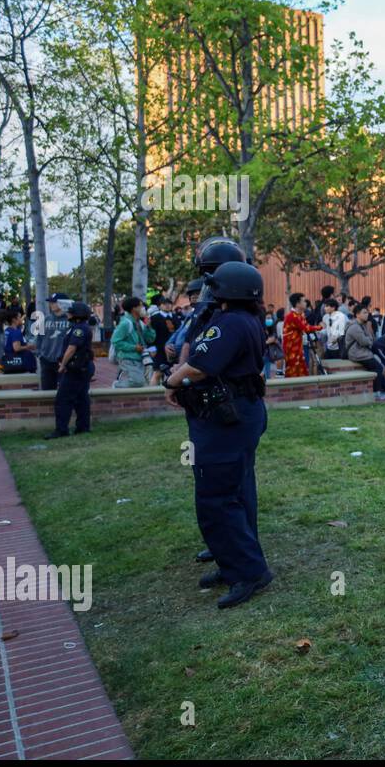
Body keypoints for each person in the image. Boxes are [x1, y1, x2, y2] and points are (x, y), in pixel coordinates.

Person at [163, 261, 272, 609]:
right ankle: (233, 566)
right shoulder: (250, 319)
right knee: (232, 494)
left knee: (217, 499)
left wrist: (171, 381)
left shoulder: (228, 323)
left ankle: (249, 572)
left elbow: (198, 366)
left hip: (227, 419)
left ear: (226, 290)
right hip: (240, 414)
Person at [46, 301, 95, 439]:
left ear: (77, 314)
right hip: (83, 367)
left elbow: (72, 348)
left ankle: (61, 430)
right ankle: (83, 427)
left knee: (63, 399)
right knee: (81, 398)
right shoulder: (80, 327)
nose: (68, 313)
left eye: (71, 311)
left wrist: (62, 365)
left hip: (76, 369)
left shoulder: (79, 329)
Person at [345, 304, 385, 398]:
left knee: (378, 367)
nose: (367, 315)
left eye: (367, 313)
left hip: (362, 352)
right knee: (378, 368)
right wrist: (369, 340)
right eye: (364, 313)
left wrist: (369, 339)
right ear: (357, 314)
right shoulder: (355, 327)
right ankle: (377, 392)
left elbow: (370, 339)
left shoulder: (362, 325)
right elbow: (365, 341)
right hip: (357, 354)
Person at [110, 296, 155, 387]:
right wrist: (134, 347)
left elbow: (150, 339)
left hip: (140, 357)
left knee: (142, 383)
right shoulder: (126, 323)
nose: (143, 308)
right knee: (138, 382)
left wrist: (149, 326)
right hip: (127, 357)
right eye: (141, 306)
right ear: (134, 308)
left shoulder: (140, 323)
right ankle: (117, 385)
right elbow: (116, 341)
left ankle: (122, 383)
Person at [37, 293, 72, 389]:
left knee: (65, 391)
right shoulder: (46, 319)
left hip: (64, 361)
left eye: (54, 302)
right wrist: (40, 354)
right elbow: (39, 338)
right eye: (50, 302)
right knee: (46, 392)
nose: (51, 304)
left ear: (63, 303)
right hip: (46, 361)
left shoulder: (71, 320)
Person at [282, 293, 321, 378]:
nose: (306, 303)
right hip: (291, 348)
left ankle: (301, 389)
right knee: (293, 371)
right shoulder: (292, 316)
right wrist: (320, 327)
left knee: (301, 369)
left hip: (298, 347)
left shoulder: (299, 315)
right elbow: (306, 328)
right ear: (297, 303)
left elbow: (306, 326)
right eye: (303, 301)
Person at [1, 308, 36, 375]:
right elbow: (16, 348)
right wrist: (29, 346)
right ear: (14, 319)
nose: (21, 319)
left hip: (9, 361)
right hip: (19, 363)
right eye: (20, 317)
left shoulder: (7, 331)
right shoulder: (16, 332)